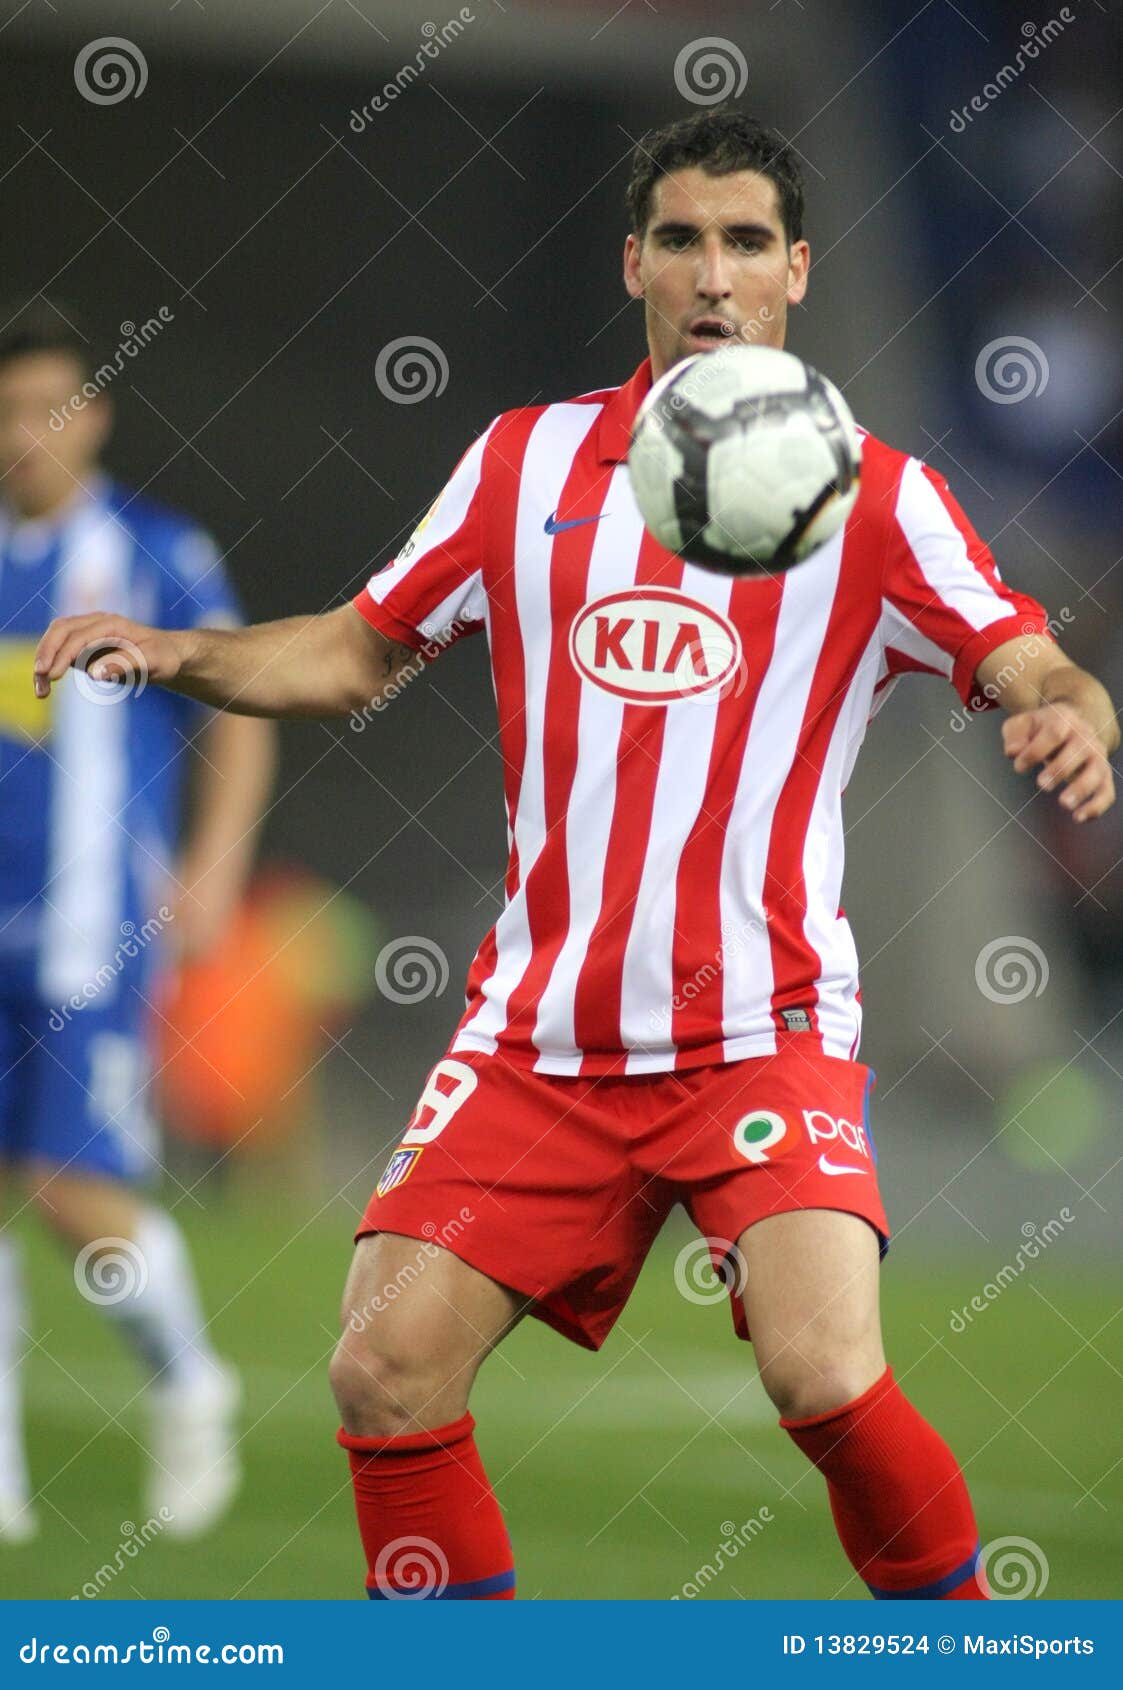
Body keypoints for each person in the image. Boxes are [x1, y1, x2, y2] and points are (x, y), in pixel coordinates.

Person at [32, 111, 1118, 1600]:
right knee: (382, 1366)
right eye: (680, 238)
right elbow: (353, 654)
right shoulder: (522, 462)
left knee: (816, 1366)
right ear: (632, 263)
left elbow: (1026, 658)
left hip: (758, 1026)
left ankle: (961, 1641)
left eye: (746, 242)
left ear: (796, 271)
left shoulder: (871, 493)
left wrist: (1068, 715)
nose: (713, 274)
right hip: (540, 1035)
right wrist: (174, 651)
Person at [1, 305, 276, 1542]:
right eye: (9, 411)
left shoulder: (154, 552)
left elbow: (241, 706)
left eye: (50, 408)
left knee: (70, 1188)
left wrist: (216, 863)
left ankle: (187, 1382)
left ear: (93, 412)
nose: (26, 435)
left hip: (89, 937)